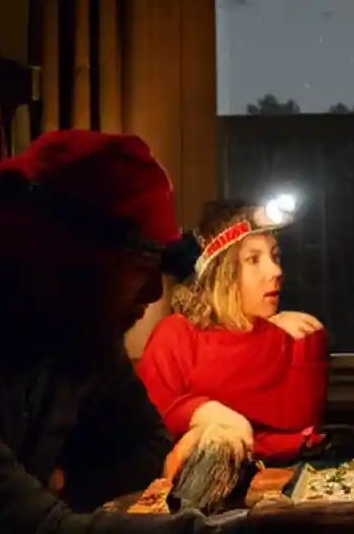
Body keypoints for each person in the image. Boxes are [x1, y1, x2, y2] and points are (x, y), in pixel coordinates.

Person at [0, 130, 354, 533]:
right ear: (66, 259)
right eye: (142, 269)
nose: (152, 296)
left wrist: (174, 463)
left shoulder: (66, 337)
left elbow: (144, 449)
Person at [137, 199, 328, 467]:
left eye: (275, 256)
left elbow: (299, 429)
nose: (276, 271)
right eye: (253, 259)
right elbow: (146, 422)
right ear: (220, 273)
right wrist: (202, 411)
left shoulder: (299, 337)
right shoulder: (177, 336)